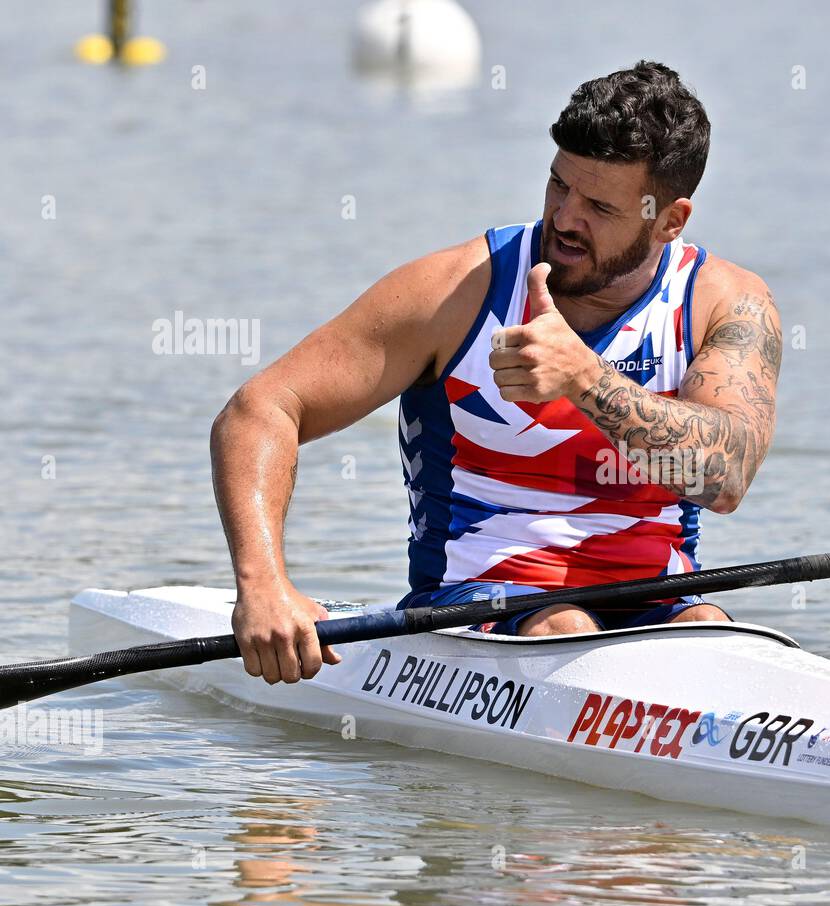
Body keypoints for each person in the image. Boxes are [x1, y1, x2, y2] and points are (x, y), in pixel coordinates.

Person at [211, 61, 782, 685]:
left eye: (598, 206)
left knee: (711, 629)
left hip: (660, 599)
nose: (565, 218)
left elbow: (724, 480)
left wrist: (583, 378)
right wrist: (264, 586)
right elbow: (261, 408)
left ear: (670, 220)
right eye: (558, 185)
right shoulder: (453, 291)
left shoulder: (726, 301)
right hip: (477, 602)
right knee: (562, 624)